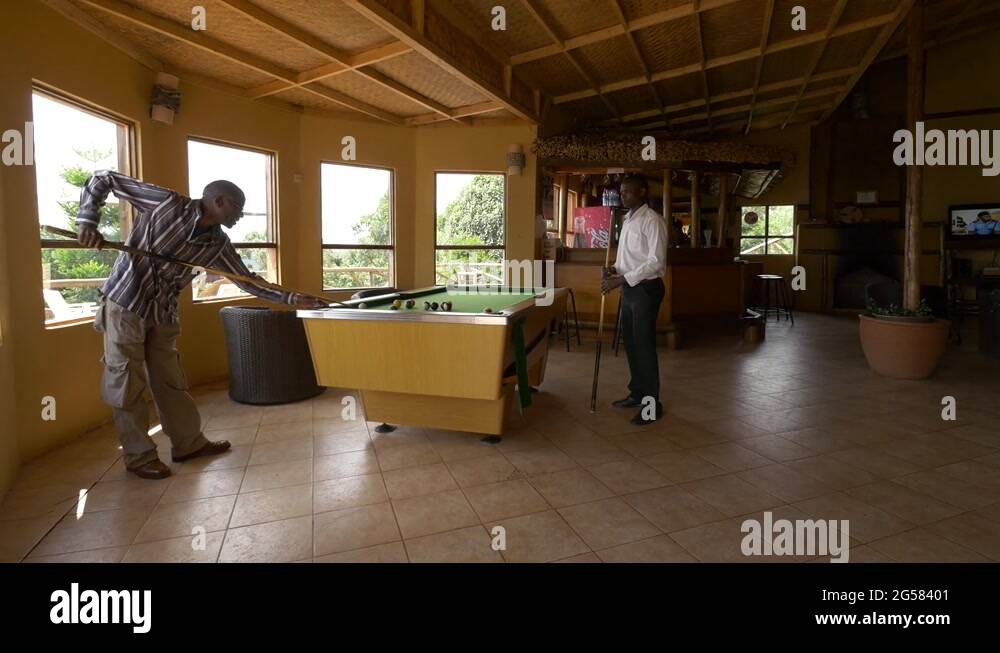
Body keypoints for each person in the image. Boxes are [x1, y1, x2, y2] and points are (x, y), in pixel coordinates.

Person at [76, 171, 326, 479]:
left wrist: (293, 298)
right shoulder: (165, 203)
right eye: (238, 206)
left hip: (163, 312)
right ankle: (139, 456)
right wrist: (87, 222)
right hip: (126, 304)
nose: (241, 213)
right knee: (126, 382)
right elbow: (103, 179)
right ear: (219, 202)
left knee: (171, 381)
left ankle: (188, 444)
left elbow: (250, 283)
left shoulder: (218, 245)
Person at [600, 175, 668, 425]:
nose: (623, 195)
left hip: (646, 289)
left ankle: (652, 405)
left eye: (628, 192)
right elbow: (627, 259)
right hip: (630, 288)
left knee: (644, 346)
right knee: (630, 342)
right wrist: (613, 269)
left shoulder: (653, 221)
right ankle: (638, 393)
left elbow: (656, 262)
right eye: (621, 191)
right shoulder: (627, 219)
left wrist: (623, 278)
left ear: (642, 192)